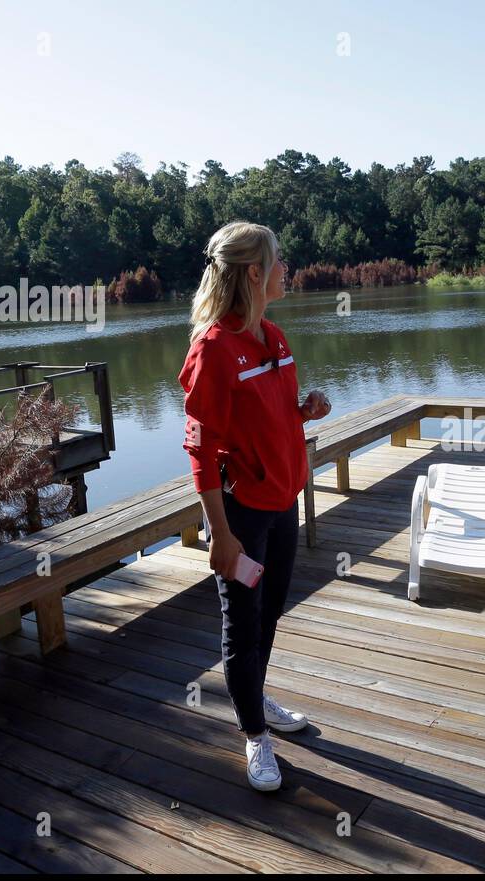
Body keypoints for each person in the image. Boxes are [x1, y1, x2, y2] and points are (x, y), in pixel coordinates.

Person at [178, 221, 331, 791]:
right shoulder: (213, 351)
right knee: (241, 628)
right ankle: (254, 737)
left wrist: (304, 410)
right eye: (279, 261)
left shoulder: (275, 337)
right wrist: (220, 535)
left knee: (269, 615)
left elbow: (271, 414)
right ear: (253, 273)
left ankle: (257, 699)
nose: (286, 269)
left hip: (283, 502)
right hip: (241, 515)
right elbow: (200, 449)